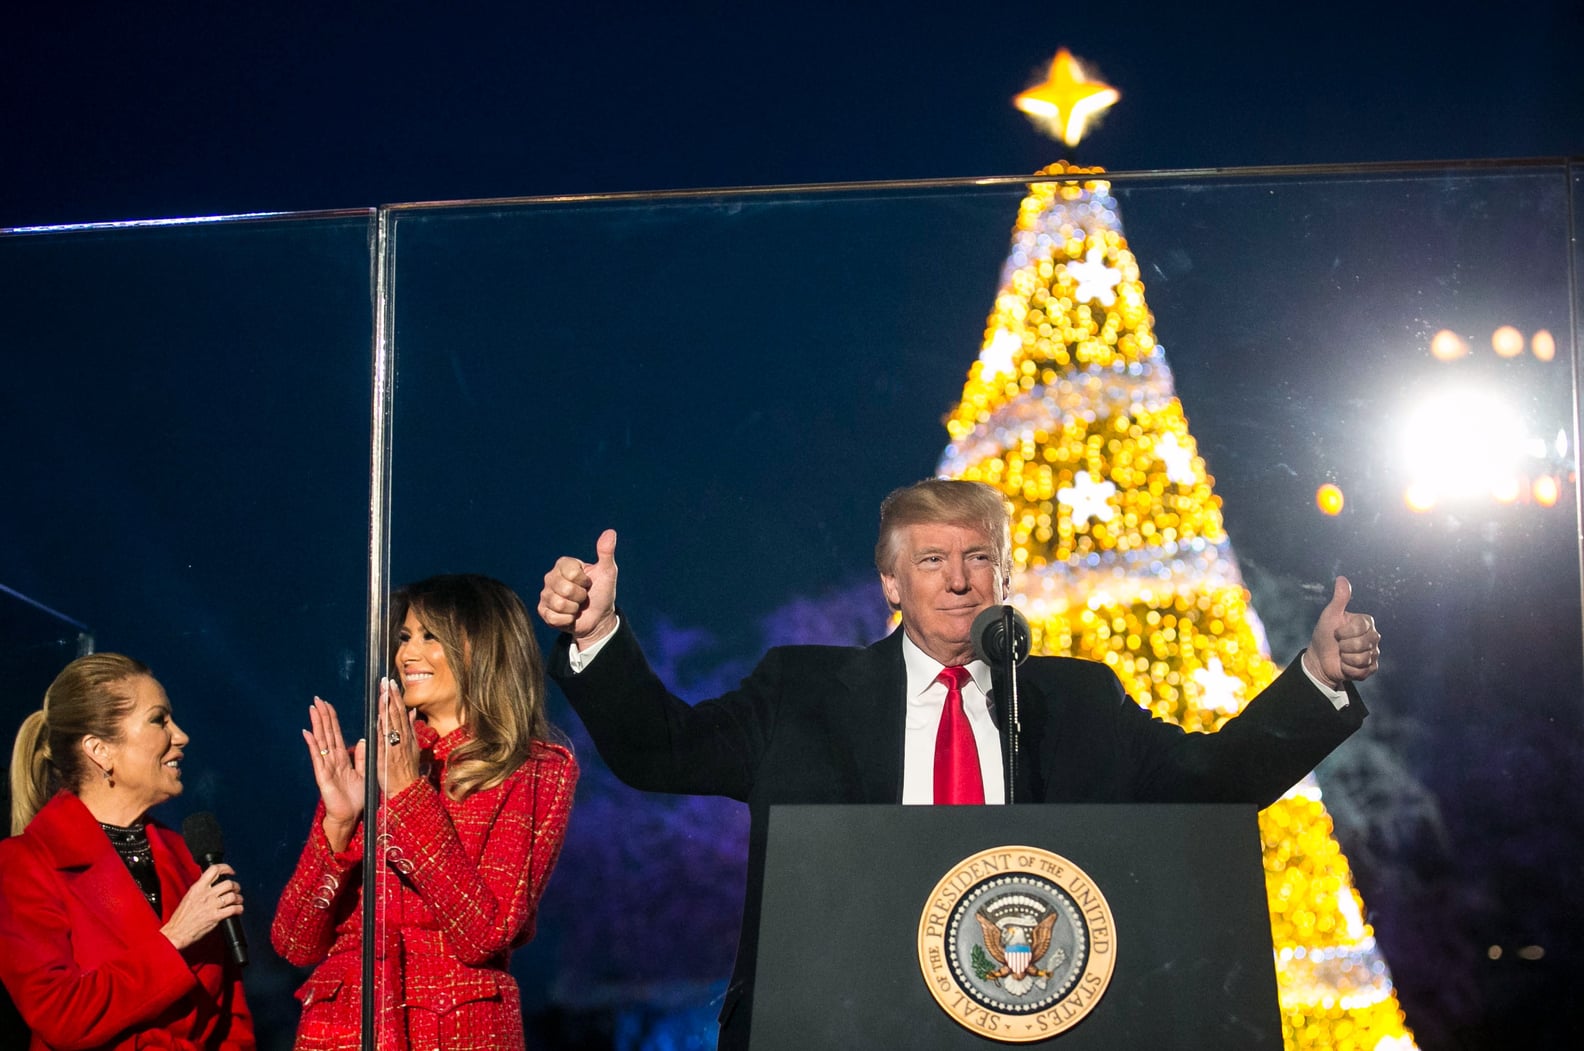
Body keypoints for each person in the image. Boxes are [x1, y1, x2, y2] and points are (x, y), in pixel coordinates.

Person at [537, 478, 1380, 1050]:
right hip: (835, 1024)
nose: (958, 580)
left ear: (1006, 573)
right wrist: (595, 636)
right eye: (931, 561)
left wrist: (1316, 680)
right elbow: (661, 748)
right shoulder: (801, 690)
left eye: (977, 558)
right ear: (892, 583)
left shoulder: (1074, 700)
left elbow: (1211, 786)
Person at [271, 574, 578, 1051]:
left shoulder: (534, 769)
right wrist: (338, 823)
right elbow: (295, 944)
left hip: (454, 1031)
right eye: (405, 638)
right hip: (344, 1030)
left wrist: (409, 796)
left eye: (430, 637)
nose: (406, 655)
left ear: (484, 647)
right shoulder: (370, 763)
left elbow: (485, 934)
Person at [0, 653, 255, 1051]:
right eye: (159, 720)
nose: (181, 735)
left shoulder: (189, 857)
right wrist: (173, 939)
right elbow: (60, 1014)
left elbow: (231, 1020)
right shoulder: (26, 863)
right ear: (100, 750)